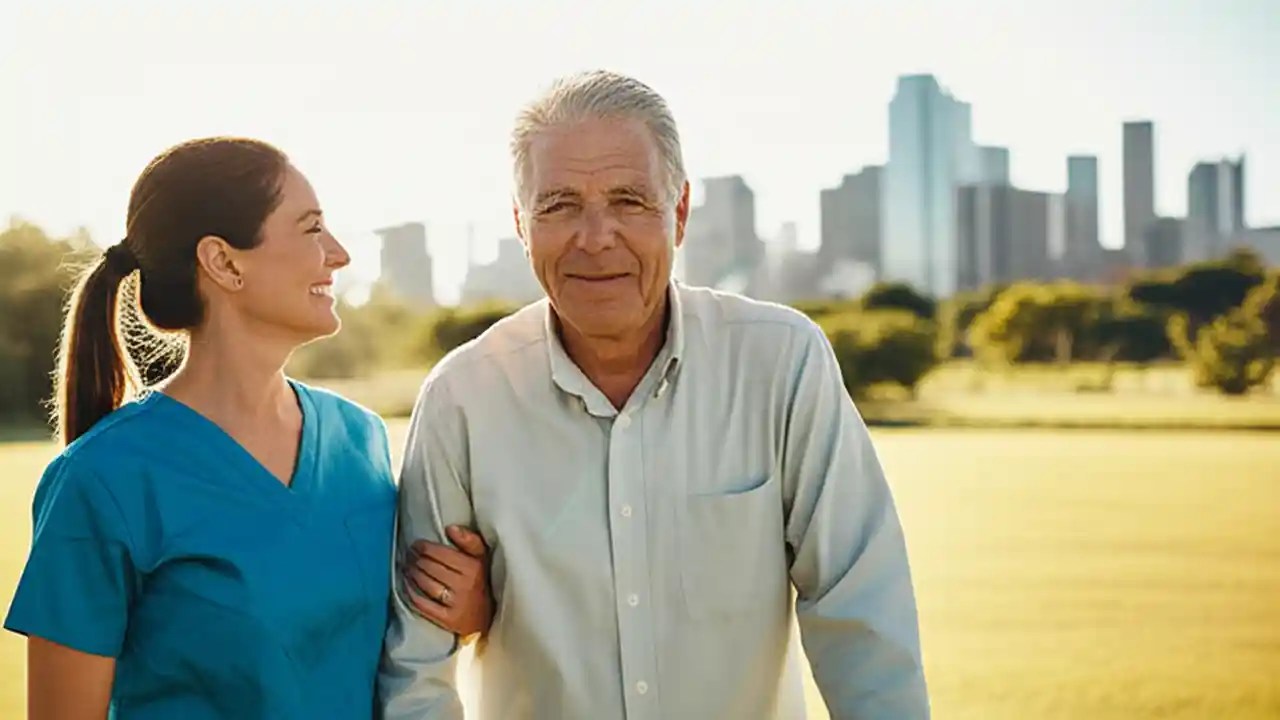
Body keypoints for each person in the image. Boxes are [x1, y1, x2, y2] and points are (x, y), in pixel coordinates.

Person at [379, 70, 931, 719]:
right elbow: (415, 667)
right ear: (521, 225)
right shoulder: (463, 397)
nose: (595, 236)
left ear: (680, 212)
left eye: (628, 201)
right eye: (558, 205)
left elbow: (860, 615)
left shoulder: (781, 362)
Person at [2, 136, 486, 719]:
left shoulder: (359, 440)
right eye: (311, 229)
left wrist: (469, 610)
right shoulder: (101, 479)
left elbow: (399, 643)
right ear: (224, 262)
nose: (337, 254)